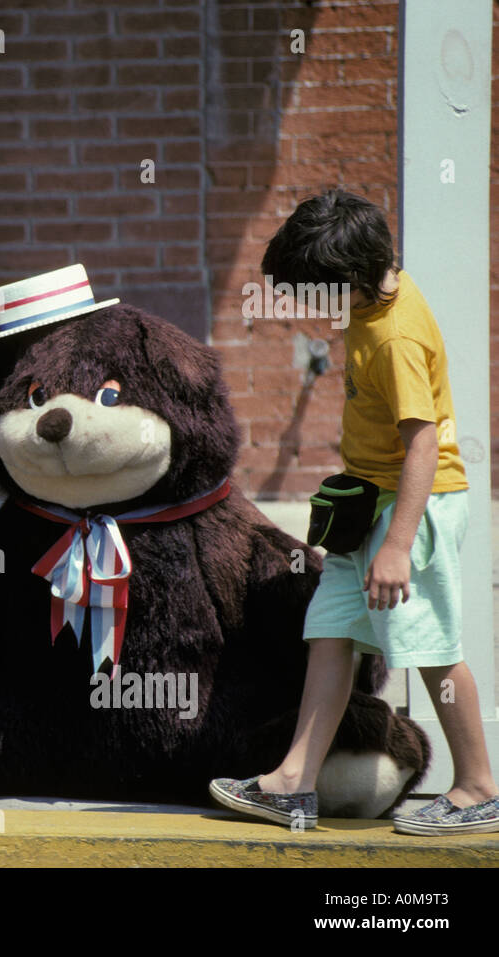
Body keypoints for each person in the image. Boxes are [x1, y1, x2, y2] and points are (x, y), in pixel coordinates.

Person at [209, 189, 498, 834]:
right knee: (331, 627)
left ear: (349, 281)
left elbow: (422, 445)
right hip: (371, 502)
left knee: (429, 645)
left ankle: (479, 786)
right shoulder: (380, 291)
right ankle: (292, 782)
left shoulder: (394, 337)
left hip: (412, 509)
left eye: (314, 292)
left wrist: (398, 545)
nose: (311, 307)